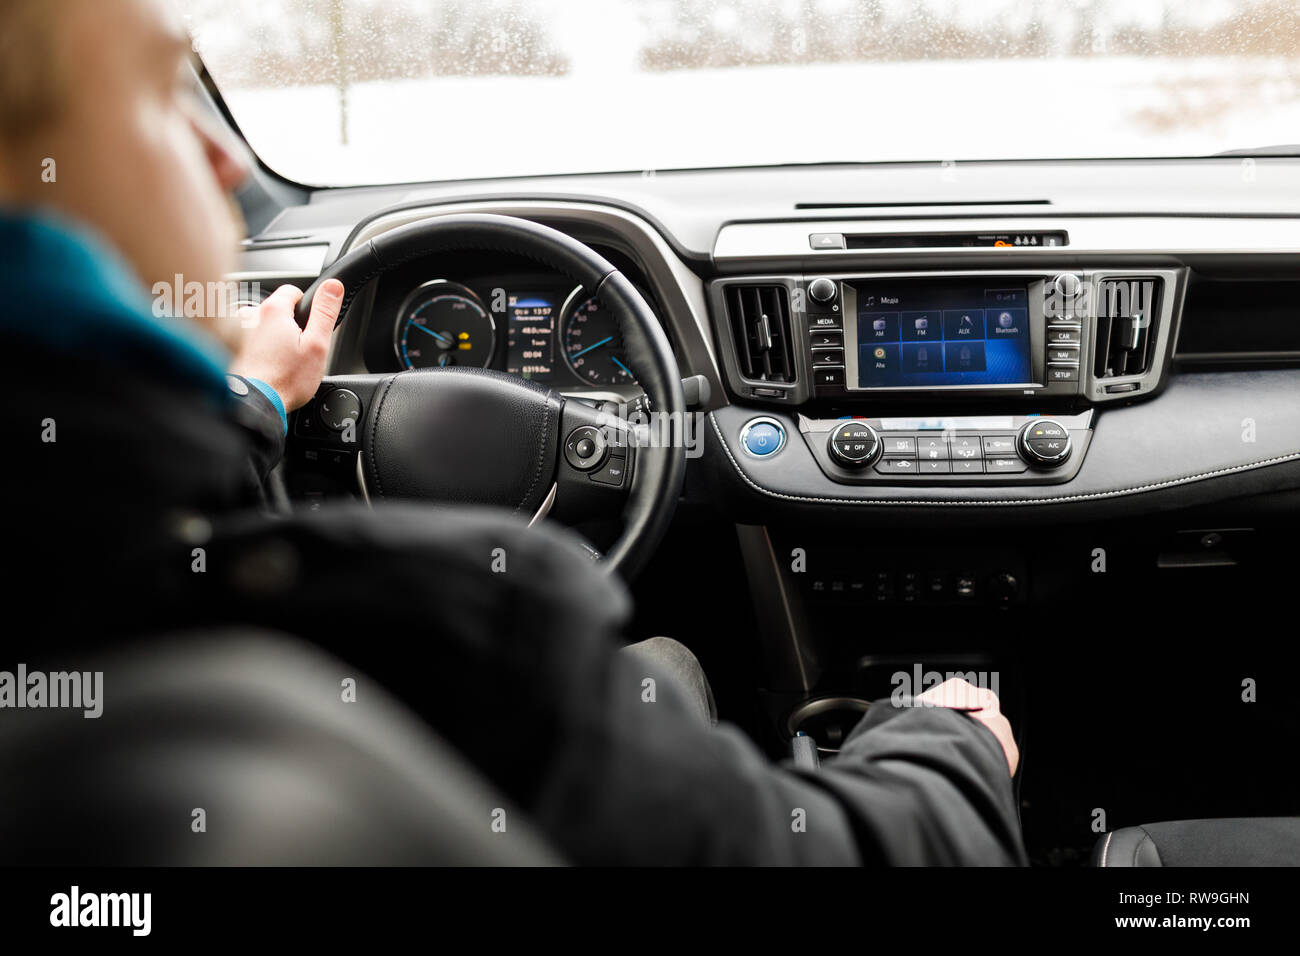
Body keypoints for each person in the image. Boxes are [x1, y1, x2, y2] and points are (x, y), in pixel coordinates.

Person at [0, 0, 1025, 866]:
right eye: (158, 94)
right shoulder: (480, 636)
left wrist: (254, 399)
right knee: (663, 659)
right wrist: (949, 741)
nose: (223, 156)